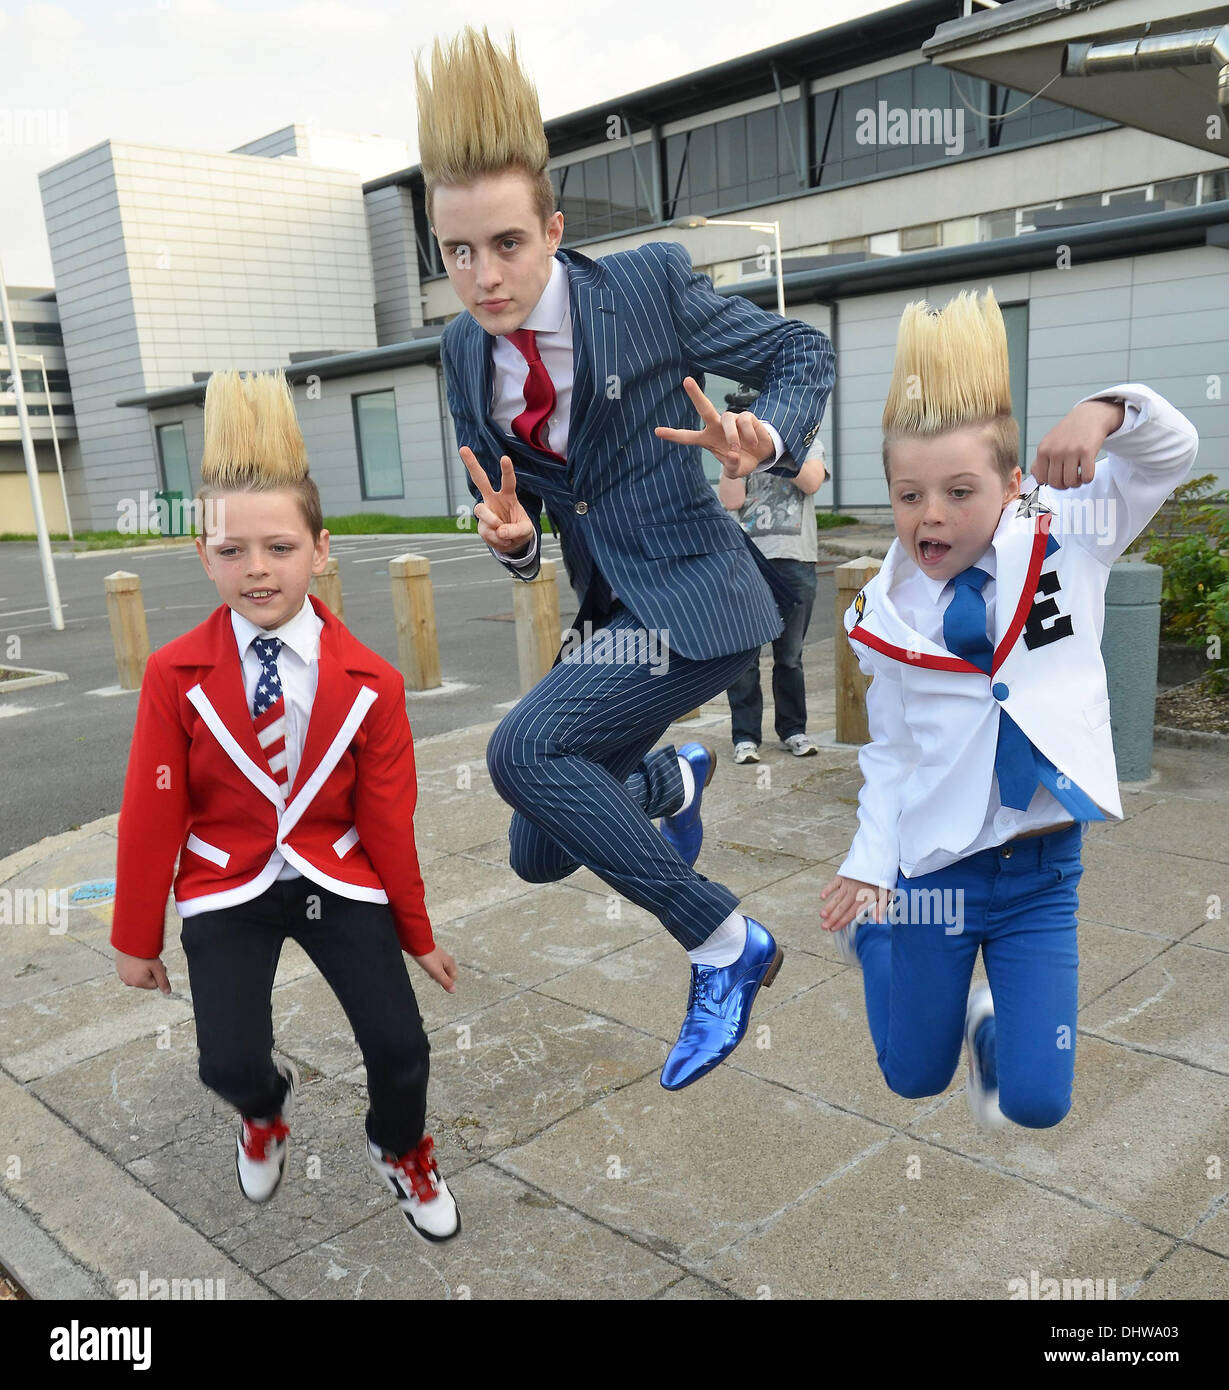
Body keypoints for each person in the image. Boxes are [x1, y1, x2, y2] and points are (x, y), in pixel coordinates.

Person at [416, 26, 835, 1090]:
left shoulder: (644, 286)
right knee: (536, 847)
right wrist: (514, 548)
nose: (483, 274)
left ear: (552, 229)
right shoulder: (463, 351)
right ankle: (668, 776)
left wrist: (767, 437)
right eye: (456, 250)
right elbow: (522, 503)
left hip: (699, 596)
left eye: (506, 243)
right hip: (611, 612)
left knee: (522, 754)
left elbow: (800, 351)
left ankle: (725, 947)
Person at [818, 287, 1197, 1131]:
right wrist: (867, 865)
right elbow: (890, 754)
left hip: (1040, 875)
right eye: (909, 495)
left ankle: (992, 1031)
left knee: (1034, 1103)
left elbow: (1173, 449)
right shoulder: (882, 614)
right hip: (932, 875)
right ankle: (874, 942)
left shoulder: (1069, 529)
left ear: (1013, 482)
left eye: (959, 490)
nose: (932, 517)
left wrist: (1108, 410)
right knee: (911, 1079)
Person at [110, 369, 461, 1242]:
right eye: (231, 552)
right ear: (202, 557)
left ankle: (399, 1147)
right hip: (227, 882)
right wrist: (133, 936)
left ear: (321, 549)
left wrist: (416, 931)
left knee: (400, 1048)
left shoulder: (374, 681)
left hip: (334, 873)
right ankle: (264, 1112)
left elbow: (387, 817)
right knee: (226, 1061)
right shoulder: (173, 673)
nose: (256, 570)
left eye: (278, 547)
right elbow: (151, 809)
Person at [718, 384, 826, 763]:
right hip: (747, 560)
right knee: (744, 656)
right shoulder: (733, 448)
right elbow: (731, 500)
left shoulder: (805, 440)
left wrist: (776, 447)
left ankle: (793, 730)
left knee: (790, 656)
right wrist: (738, 454)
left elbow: (812, 481)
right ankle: (745, 736)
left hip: (794, 559)